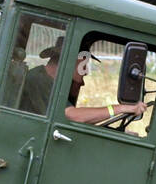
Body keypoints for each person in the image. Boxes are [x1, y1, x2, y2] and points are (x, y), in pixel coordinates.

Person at [19, 38, 148, 124]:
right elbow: (72, 115)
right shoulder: (38, 80)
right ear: (70, 61)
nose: (85, 71)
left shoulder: (48, 81)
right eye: (84, 65)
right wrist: (121, 108)